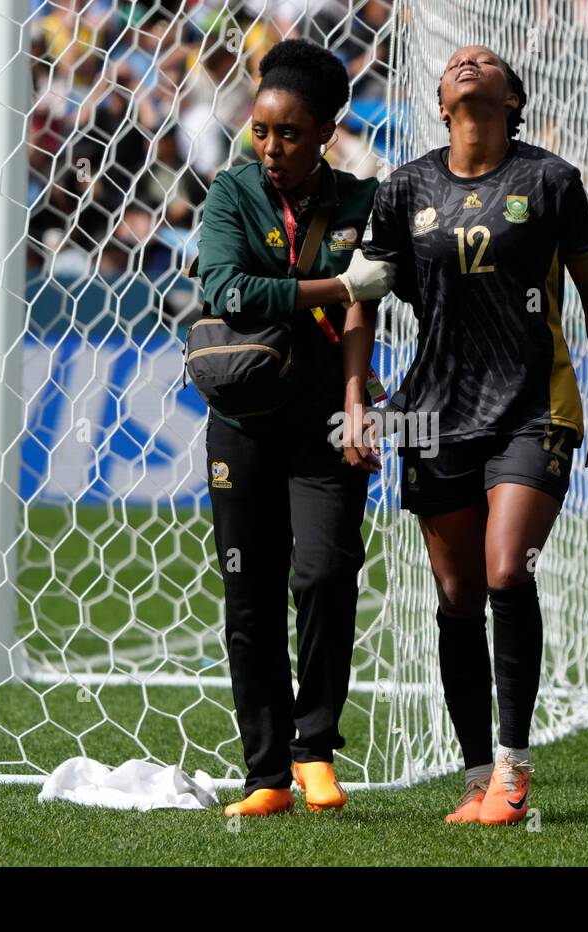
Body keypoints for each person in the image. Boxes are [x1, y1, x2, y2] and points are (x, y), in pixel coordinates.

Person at [346, 45, 588, 825]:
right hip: (434, 415)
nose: (468, 61)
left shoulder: (549, 181)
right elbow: (361, 298)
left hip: (534, 409)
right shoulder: (404, 189)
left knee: (507, 571)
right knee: (456, 599)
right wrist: (356, 397)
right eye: (457, 63)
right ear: (440, 104)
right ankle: (474, 780)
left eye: (485, 61)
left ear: (511, 99)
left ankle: (513, 770)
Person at [193, 38, 393, 818]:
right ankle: (265, 774)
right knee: (249, 596)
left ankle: (315, 750)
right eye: (262, 131)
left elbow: (359, 313)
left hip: (325, 422)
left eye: (290, 134)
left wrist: (355, 405)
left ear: (326, 132)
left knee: (326, 572)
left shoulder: (358, 202)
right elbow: (229, 291)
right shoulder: (228, 195)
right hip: (241, 424)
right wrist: (335, 280)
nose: (272, 148)